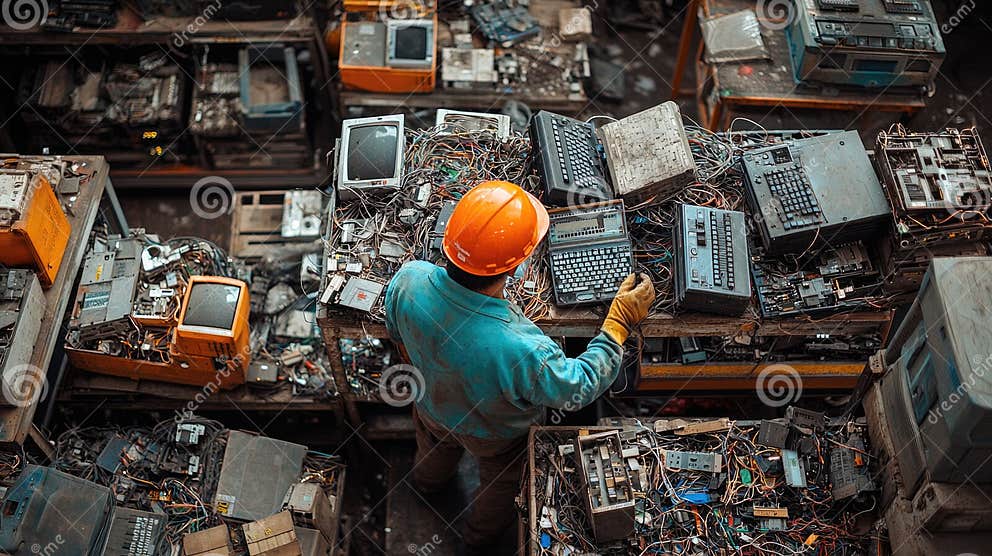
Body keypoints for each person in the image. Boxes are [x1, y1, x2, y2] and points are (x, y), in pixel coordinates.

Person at [384, 181, 655, 552]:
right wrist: (618, 323)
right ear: (513, 268)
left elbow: (398, 338)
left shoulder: (408, 279)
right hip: (495, 438)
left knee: (434, 451)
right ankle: (477, 541)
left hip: (431, 407)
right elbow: (580, 385)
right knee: (500, 488)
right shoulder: (524, 350)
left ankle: (427, 489)